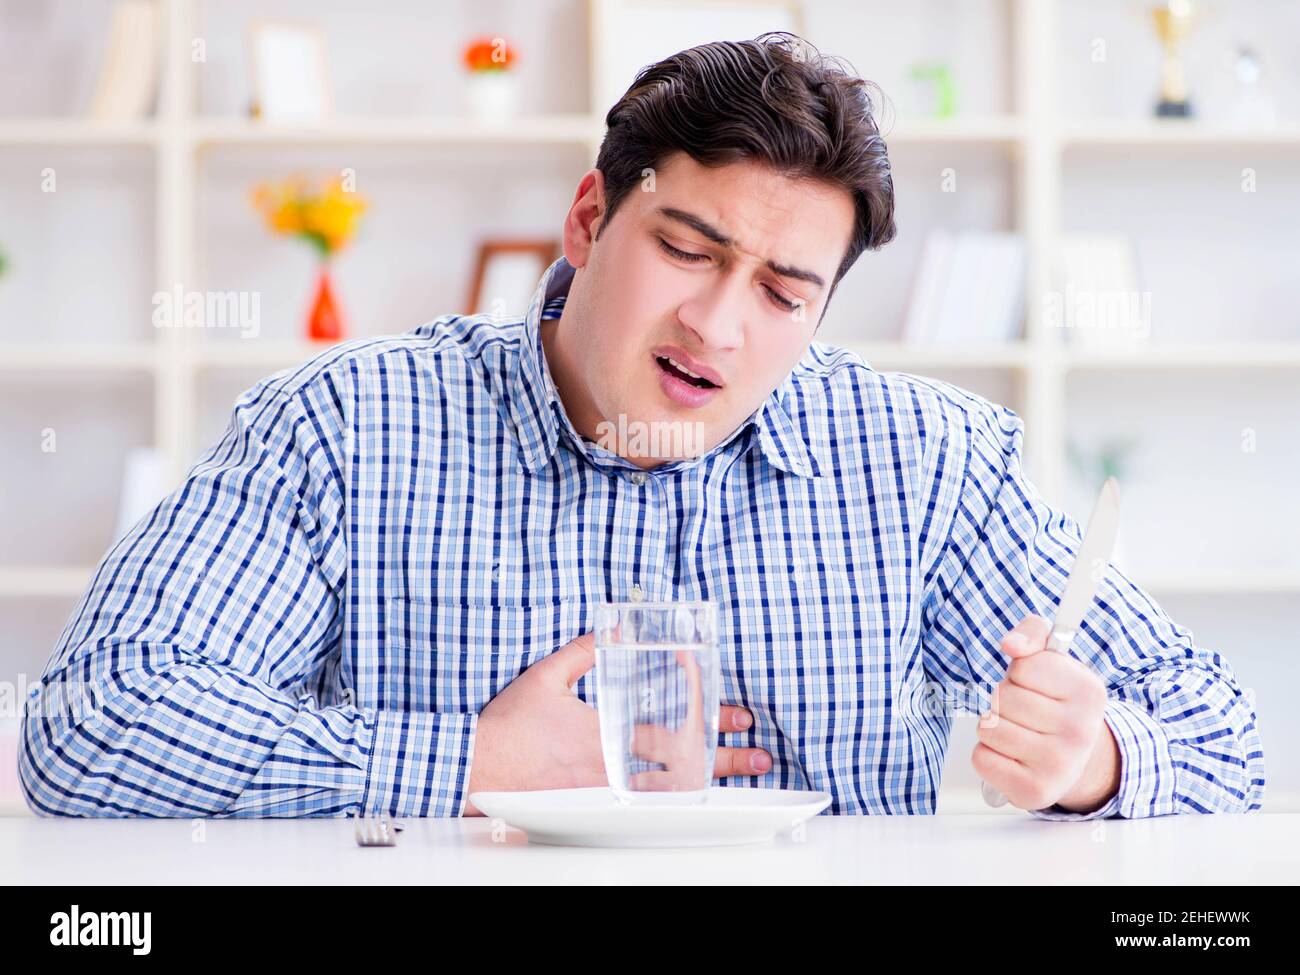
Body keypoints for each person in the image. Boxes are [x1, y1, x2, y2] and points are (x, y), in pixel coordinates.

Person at [21, 33, 1264, 819]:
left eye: (783, 295)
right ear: (586, 220)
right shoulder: (343, 429)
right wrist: (471, 762)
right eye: (685, 249)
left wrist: (1094, 761)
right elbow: (90, 727)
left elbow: (1220, 737)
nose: (719, 328)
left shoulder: (925, 462)